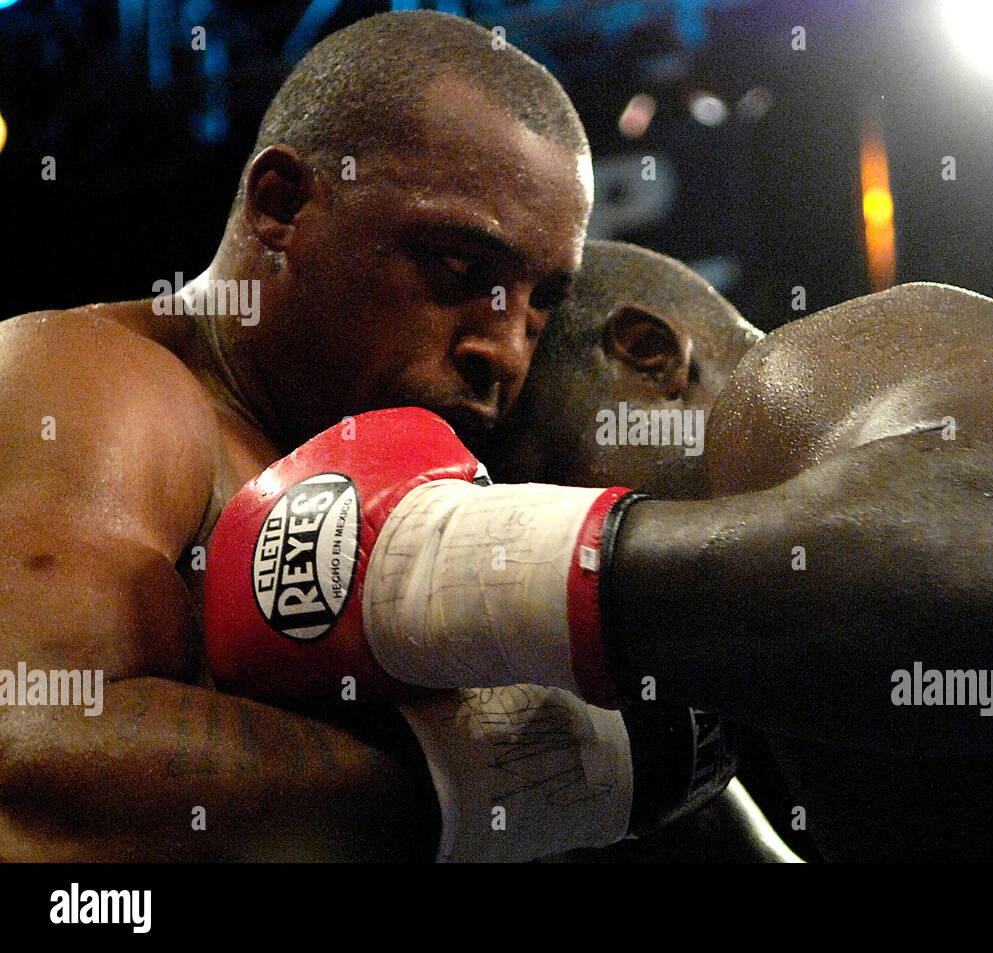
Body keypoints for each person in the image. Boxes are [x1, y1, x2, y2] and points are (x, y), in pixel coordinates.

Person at [0, 10, 599, 861]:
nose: (503, 350)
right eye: (460, 269)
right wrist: (484, 781)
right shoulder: (98, 382)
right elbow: (24, 755)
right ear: (282, 206)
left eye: (542, 303)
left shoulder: (424, 473)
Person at [482, 242, 993, 861]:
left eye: (546, 485)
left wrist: (526, 564)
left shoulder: (804, 374)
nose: (552, 517)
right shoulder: (799, 637)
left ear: (649, 354)